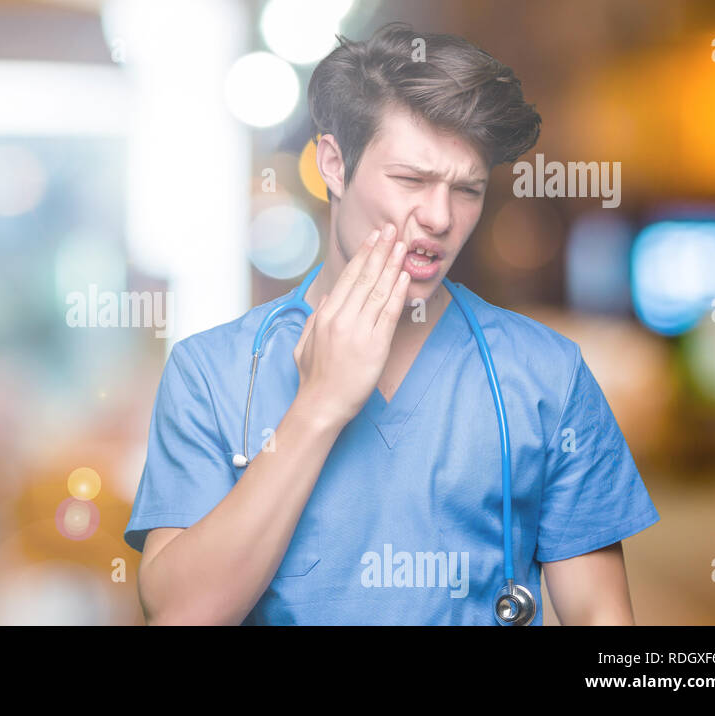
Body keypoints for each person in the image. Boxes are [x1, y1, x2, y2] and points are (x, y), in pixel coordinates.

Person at [123, 23, 660, 625]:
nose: (438, 217)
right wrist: (318, 407)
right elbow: (179, 614)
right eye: (410, 180)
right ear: (333, 162)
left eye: (467, 189)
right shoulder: (211, 374)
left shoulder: (546, 376)